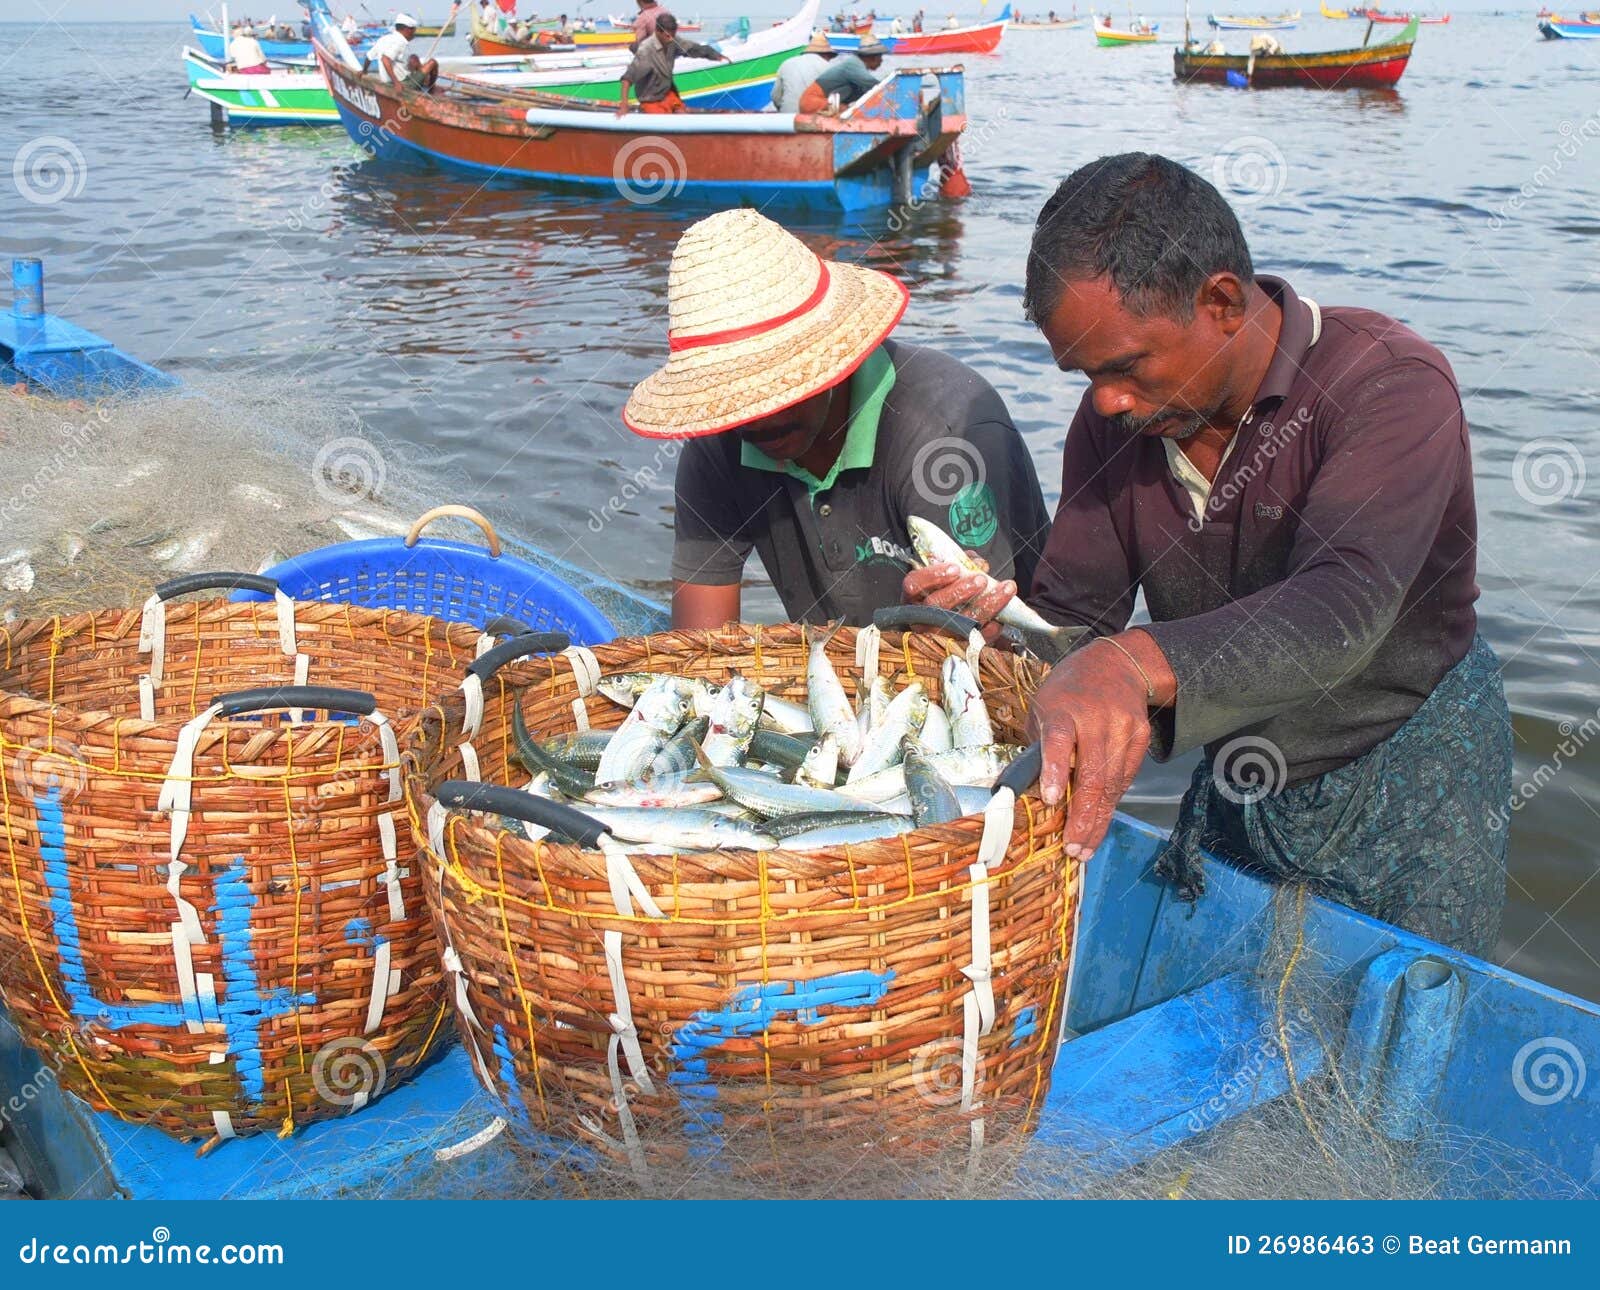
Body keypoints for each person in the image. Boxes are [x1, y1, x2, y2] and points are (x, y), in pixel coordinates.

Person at [906, 153, 1509, 955]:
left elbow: (1343, 608)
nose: (1107, 399)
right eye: (1084, 375)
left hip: (1404, 761)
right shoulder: (1114, 426)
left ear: (1221, 302)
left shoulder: (1387, 384)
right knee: (1229, 998)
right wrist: (1004, 622)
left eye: (1125, 367)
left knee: (1396, 1015)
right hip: (1240, 766)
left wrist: (1126, 667)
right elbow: (1078, 617)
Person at [626, 209, 1052, 631]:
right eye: (738, 402)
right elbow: (703, 644)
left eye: (783, 387)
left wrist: (927, 631)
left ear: (835, 359)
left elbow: (991, 637)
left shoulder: (944, 431)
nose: (760, 420)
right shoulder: (719, 447)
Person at [616, 13, 729, 114]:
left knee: (682, 114)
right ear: (658, 32)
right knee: (661, 122)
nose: (671, 39)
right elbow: (627, 79)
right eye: (668, 36)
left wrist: (714, 55)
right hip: (650, 99)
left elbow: (692, 49)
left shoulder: (673, 41)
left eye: (673, 35)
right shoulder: (646, 50)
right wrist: (624, 105)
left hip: (667, 94)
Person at [797, 35, 887, 112]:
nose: (882, 61)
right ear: (873, 57)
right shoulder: (853, 64)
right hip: (812, 102)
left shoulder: (857, 65)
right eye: (880, 58)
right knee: (845, 111)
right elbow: (873, 84)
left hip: (820, 101)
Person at [770, 31, 836, 112]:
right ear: (827, 55)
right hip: (813, 118)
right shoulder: (828, 67)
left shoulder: (787, 63)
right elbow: (833, 99)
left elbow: (775, 96)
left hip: (786, 116)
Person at [363, 13, 435, 84]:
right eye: (413, 30)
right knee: (433, 63)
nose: (414, 33)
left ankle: (426, 84)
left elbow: (369, 57)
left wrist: (364, 71)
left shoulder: (383, 39)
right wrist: (396, 83)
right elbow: (385, 59)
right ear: (407, 29)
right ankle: (432, 89)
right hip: (402, 83)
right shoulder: (400, 42)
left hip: (386, 82)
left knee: (414, 58)